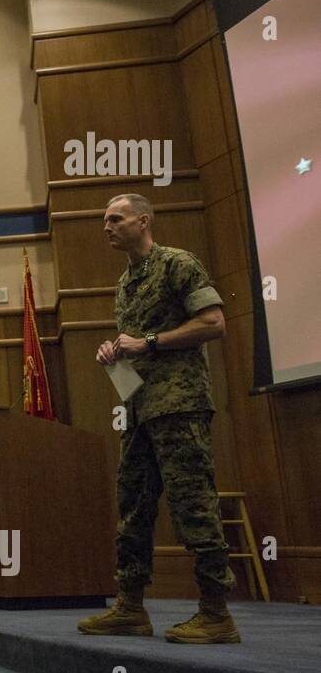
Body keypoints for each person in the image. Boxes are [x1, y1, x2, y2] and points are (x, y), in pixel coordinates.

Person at [79, 193, 239, 644]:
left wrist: (146, 341)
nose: (106, 226)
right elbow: (134, 348)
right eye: (104, 219)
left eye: (116, 218)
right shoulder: (124, 284)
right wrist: (114, 353)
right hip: (139, 409)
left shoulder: (178, 264)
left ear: (143, 221)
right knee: (132, 506)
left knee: (194, 505)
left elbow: (213, 323)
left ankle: (215, 613)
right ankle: (130, 608)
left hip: (180, 406)